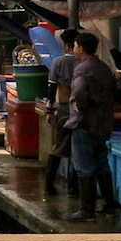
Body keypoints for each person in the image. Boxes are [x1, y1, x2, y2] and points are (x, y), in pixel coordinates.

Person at [65, 31, 118, 220]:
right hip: (103, 124)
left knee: (84, 166)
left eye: (75, 45)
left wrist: (77, 107)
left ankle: (87, 210)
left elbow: (79, 92)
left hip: (86, 123)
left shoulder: (82, 70)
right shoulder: (103, 67)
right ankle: (109, 206)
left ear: (80, 48)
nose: (74, 48)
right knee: (102, 164)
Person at [43, 28, 80, 196]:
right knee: (77, 149)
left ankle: (48, 184)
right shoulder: (82, 63)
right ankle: (73, 188)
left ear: (66, 46)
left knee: (59, 146)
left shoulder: (58, 62)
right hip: (80, 109)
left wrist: (49, 110)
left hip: (64, 108)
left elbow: (51, 88)